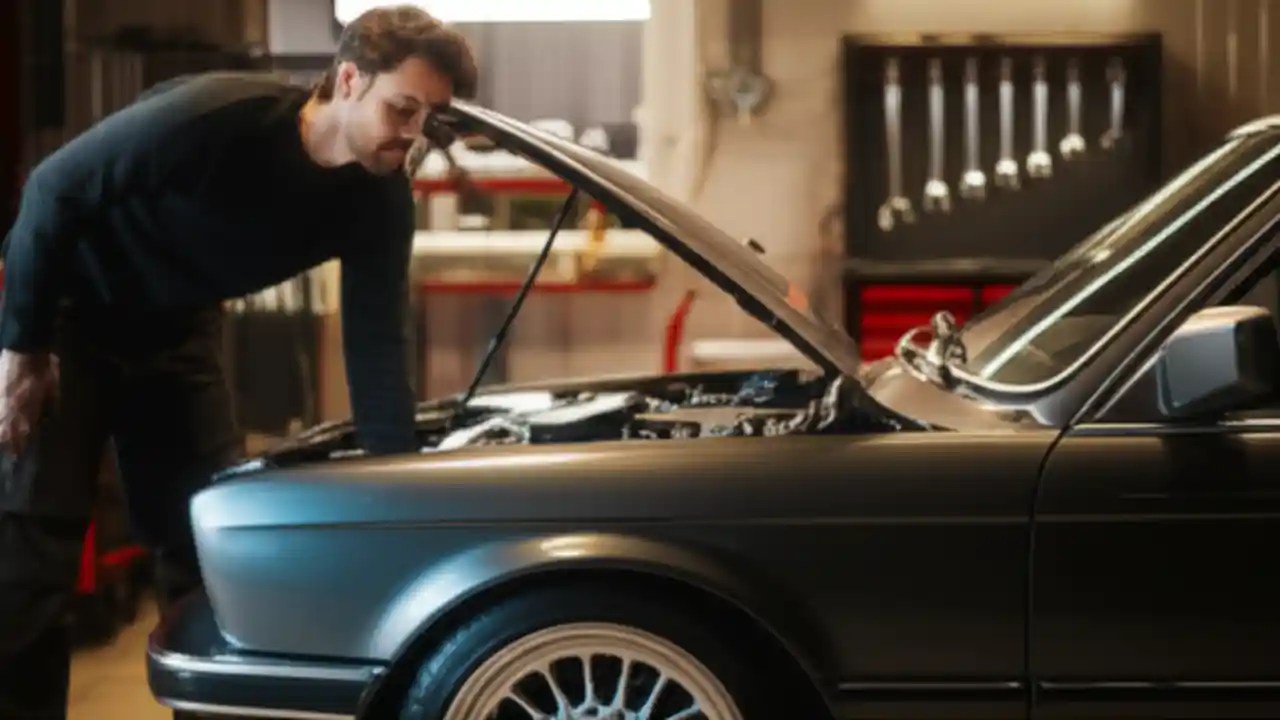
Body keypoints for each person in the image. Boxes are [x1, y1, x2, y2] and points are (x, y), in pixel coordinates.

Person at [0, 5, 477, 718]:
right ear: (350, 80)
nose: (412, 134)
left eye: (430, 121)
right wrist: (23, 349)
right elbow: (52, 189)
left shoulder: (379, 201)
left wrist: (400, 493)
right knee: (33, 554)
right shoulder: (216, 116)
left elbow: (378, 349)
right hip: (68, 317)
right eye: (403, 108)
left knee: (207, 548)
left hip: (176, 331)